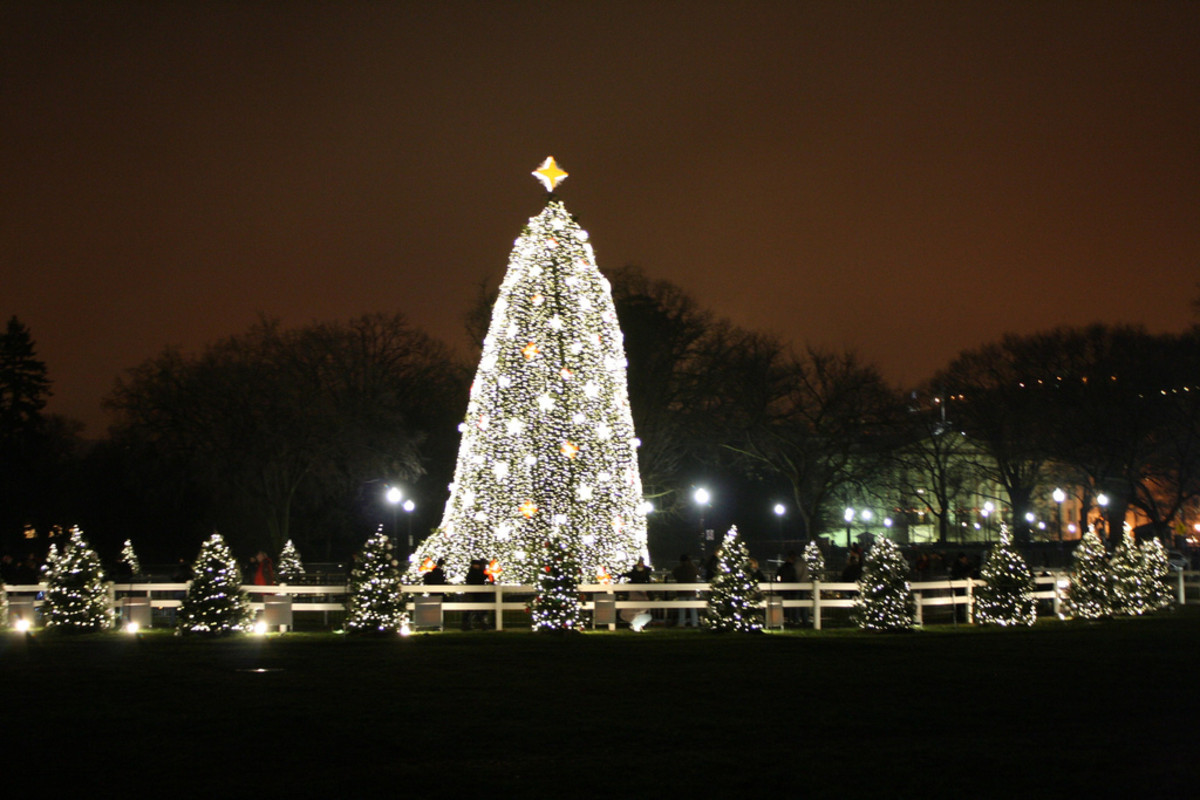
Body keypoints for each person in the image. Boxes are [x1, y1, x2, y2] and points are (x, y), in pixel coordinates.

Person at [672, 554, 700, 628]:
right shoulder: (692, 568)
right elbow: (697, 572)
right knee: (693, 609)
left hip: (681, 591)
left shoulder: (678, 569)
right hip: (691, 591)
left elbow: (674, 574)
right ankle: (695, 623)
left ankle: (681, 623)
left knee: (682, 609)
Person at [462, 558, 488, 630]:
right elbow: (479, 579)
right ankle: (480, 624)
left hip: (475, 593)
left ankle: (470, 624)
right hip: (475, 594)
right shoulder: (475, 572)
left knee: (473, 610)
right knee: (475, 609)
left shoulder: (473, 572)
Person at [775, 551, 799, 625]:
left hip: (783, 589)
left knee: (784, 605)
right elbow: (794, 578)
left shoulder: (782, 568)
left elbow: (778, 577)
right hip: (791, 590)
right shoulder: (792, 568)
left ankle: (786, 618)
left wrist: (779, 583)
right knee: (792, 605)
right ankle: (792, 619)